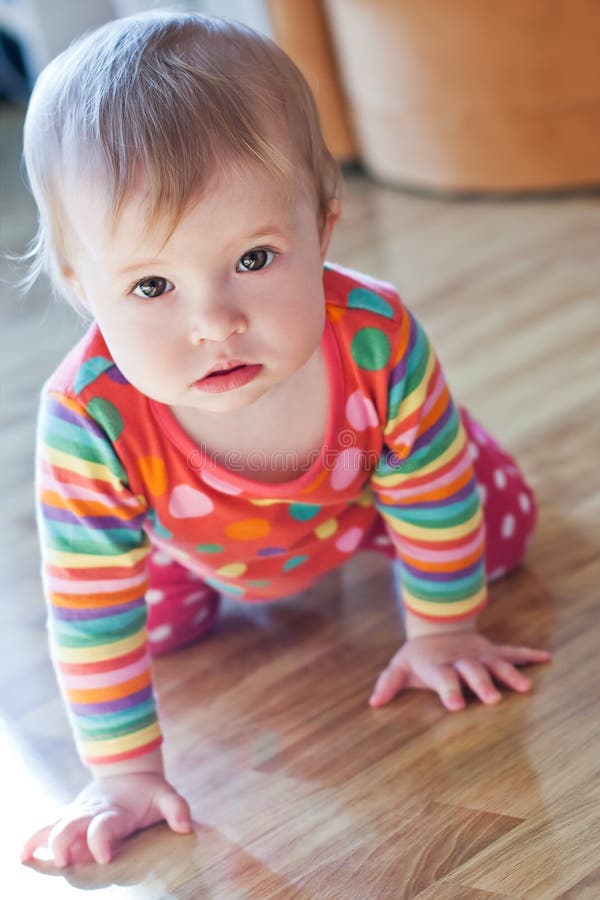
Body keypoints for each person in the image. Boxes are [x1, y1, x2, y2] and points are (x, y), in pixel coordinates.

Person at [19, 10, 550, 868]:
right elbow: (88, 611)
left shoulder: (374, 332)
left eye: (256, 260)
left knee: (500, 531)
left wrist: (444, 634)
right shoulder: (90, 418)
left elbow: (434, 498)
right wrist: (122, 774)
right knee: (151, 631)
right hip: (188, 543)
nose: (215, 322)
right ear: (84, 287)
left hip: (362, 492)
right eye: (151, 284)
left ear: (323, 226)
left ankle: (444, 441)